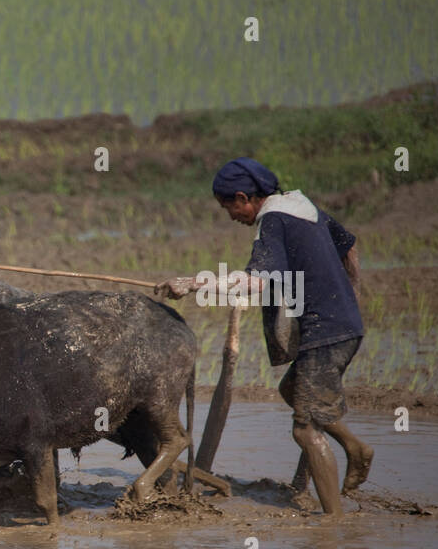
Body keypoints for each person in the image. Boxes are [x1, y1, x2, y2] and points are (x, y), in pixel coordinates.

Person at [155, 157, 372, 516]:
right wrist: (352, 297)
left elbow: (256, 281)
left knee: (305, 430)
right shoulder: (302, 207)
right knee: (291, 391)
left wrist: (195, 283)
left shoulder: (272, 219)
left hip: (324, 332)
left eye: (229, 207)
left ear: (244, 197)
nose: (230, 216)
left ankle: (333, 523)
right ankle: (354, 446)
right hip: (340, 326)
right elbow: (348, 246)